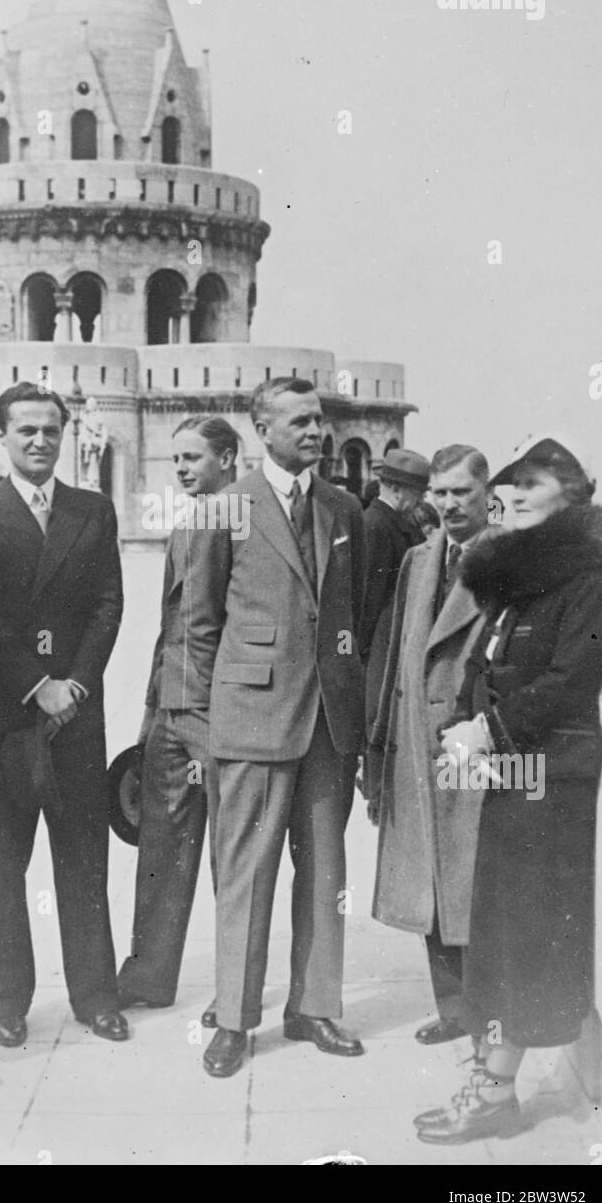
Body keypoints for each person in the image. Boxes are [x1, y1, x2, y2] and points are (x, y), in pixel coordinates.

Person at [416, 433, 602, 1144]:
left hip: (554, 781)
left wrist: (487, 733)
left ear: (569, 499)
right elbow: (483, 665)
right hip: (510, 777)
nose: (506, 502)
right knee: (499, 934)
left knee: (526, 940)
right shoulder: (519, 576)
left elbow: (570, 682)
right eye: (503, 494)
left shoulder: (594, 579)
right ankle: (491, 1080)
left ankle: (493, 1091)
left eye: (525, 491)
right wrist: (460, 727)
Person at [184, 377, 366, 1078]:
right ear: (262, 430)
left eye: (318, 420)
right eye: (297, 422)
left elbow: (351, 617)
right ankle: (233, 1019)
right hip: (251, 717)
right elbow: (197, 627)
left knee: (324, 871)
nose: (314, 432)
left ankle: (314, 1006)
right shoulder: (223, 511)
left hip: (326, 720)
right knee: (245, 874)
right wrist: (204, 727)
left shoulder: (343, 507)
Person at [0, 383, 125, 1047]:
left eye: (50, 429)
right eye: (25, 430)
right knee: (2, 862)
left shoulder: (92, 510)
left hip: (76, 716)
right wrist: (38, 685)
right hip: (5, 717)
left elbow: (108, 604)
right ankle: (6, 1002)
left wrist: (76, 683)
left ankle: (96, 996)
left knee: (83, 856)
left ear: (64, 434)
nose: (39, 440)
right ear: (1, 436)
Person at [370, 445, 494, 1047]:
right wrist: (380, 746)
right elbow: (396, 653)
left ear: (485, 493)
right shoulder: (419, 559)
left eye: (461, 493)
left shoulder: (508, 560)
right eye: (440, 493)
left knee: (473, 883)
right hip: (415, 742)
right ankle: (453, 1008)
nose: (449, 504)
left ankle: (488, 1015)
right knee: (428, 882)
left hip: (475, 743)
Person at [117, 416, 238, 1019]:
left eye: (193, 457)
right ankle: (148, 977)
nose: (183, 469)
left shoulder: (241, 523)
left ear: (228, 456)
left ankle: (235, 992)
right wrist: (149, 710)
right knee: (161, 846)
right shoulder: (189, 522)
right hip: (171, 710)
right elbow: (171, 629)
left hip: (218, 716)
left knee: (231, 859)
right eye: (176, 460)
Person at [361, 448, 430, 803]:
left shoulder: (397, 522)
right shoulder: (376, 526)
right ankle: (376, 794)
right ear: (399, 490)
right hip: (383, 641)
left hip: (396, 638)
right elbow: (368, 598)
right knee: (379, 716)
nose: (421, 501)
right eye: (418, 492)